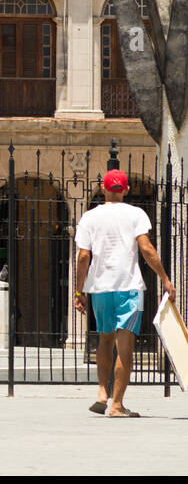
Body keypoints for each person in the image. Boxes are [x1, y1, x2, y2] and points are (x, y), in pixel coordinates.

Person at [74, 169, 175, 418]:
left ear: (102, 187)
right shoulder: (136, 214)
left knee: (104, 340)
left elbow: (83, 256)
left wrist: (79, 291)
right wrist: (164, 278)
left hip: (100, 288)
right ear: (126, 190)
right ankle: (117, 405)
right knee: (125, 345)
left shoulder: (89, 217)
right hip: (128, 288)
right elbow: (146, 248)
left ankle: (101, 392)